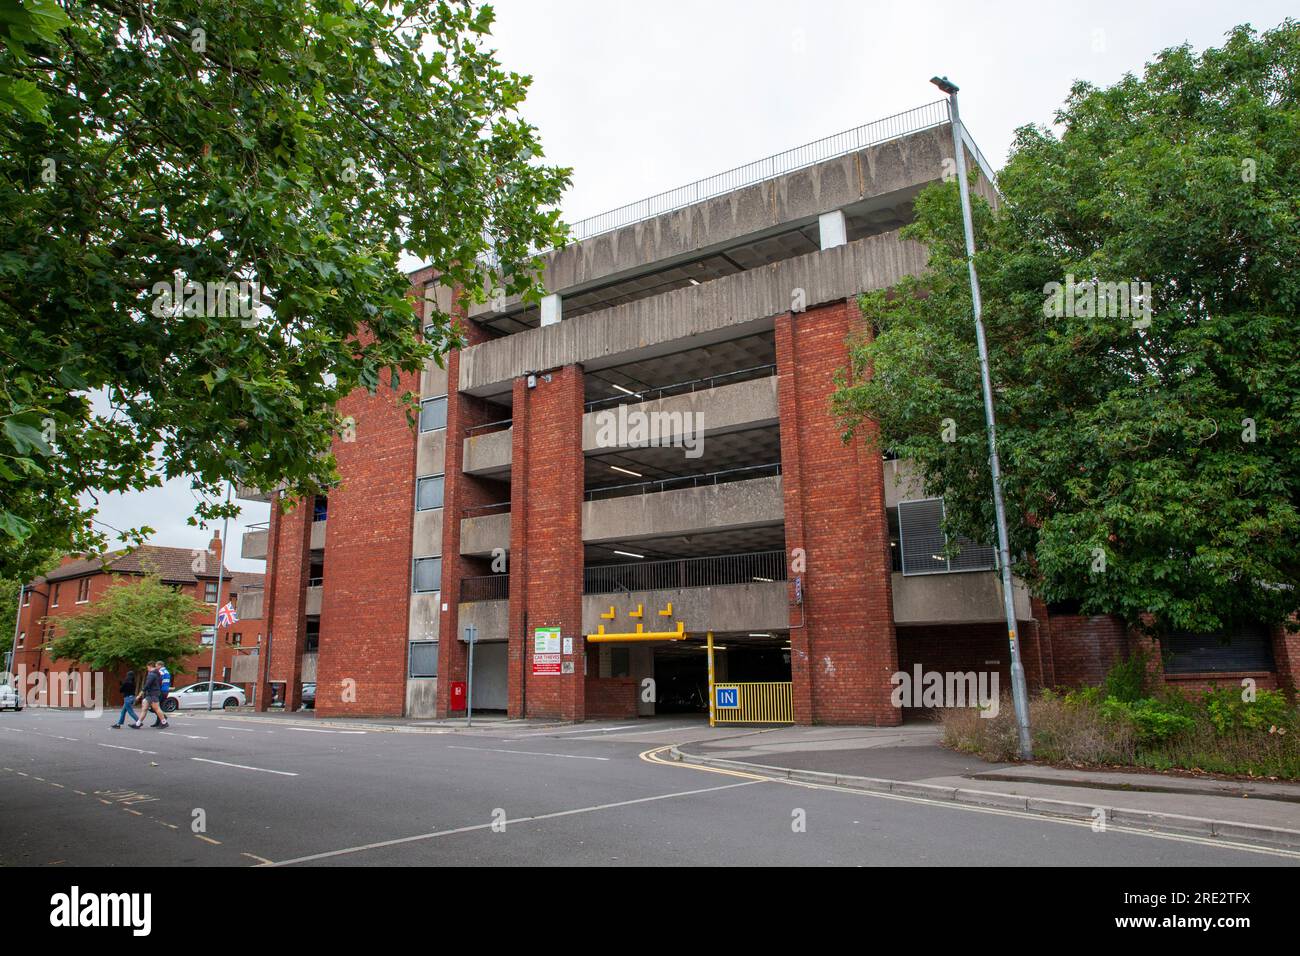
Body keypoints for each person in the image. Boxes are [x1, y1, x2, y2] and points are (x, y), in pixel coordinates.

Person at [134, 662, 169, 729]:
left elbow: (147, 685)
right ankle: (138, 724)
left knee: (156, 708)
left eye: (147, 667)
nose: (147, 669)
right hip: (152, 693)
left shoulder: (152, 674)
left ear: (150, 666)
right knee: (145, 708)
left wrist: (139, 694)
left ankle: (164, 722)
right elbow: (160, 683)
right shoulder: (159, 673)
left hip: (153, 694)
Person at [150, 660, 172, 726]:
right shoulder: (167, 672)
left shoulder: (161, 672)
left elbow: (159, 682)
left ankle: (162, 719)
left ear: (160, 665)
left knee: (155, 707)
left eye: (156, 665)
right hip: (166, 691)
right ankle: (158, 722)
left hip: (161, 690)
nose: (156, 667)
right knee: (159, 707)